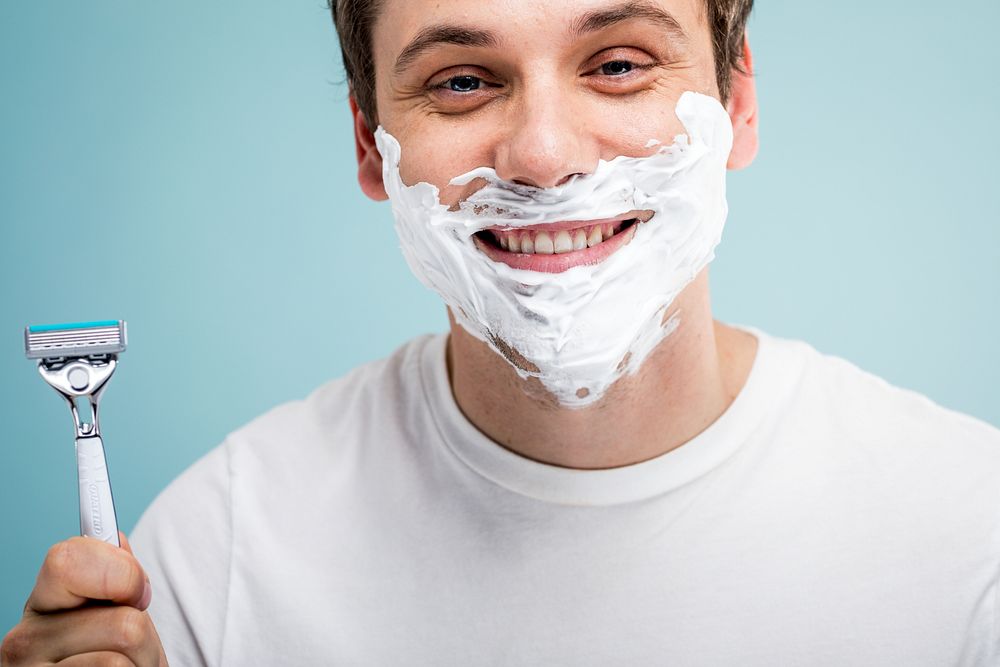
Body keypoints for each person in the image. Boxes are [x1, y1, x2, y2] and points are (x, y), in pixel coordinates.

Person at [4, 0, 999, 665]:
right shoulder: (215, 556)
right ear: (370, 145)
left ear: (736, 102)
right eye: (462, 82)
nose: (543, 155)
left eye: (616, 64)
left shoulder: (969, 538)